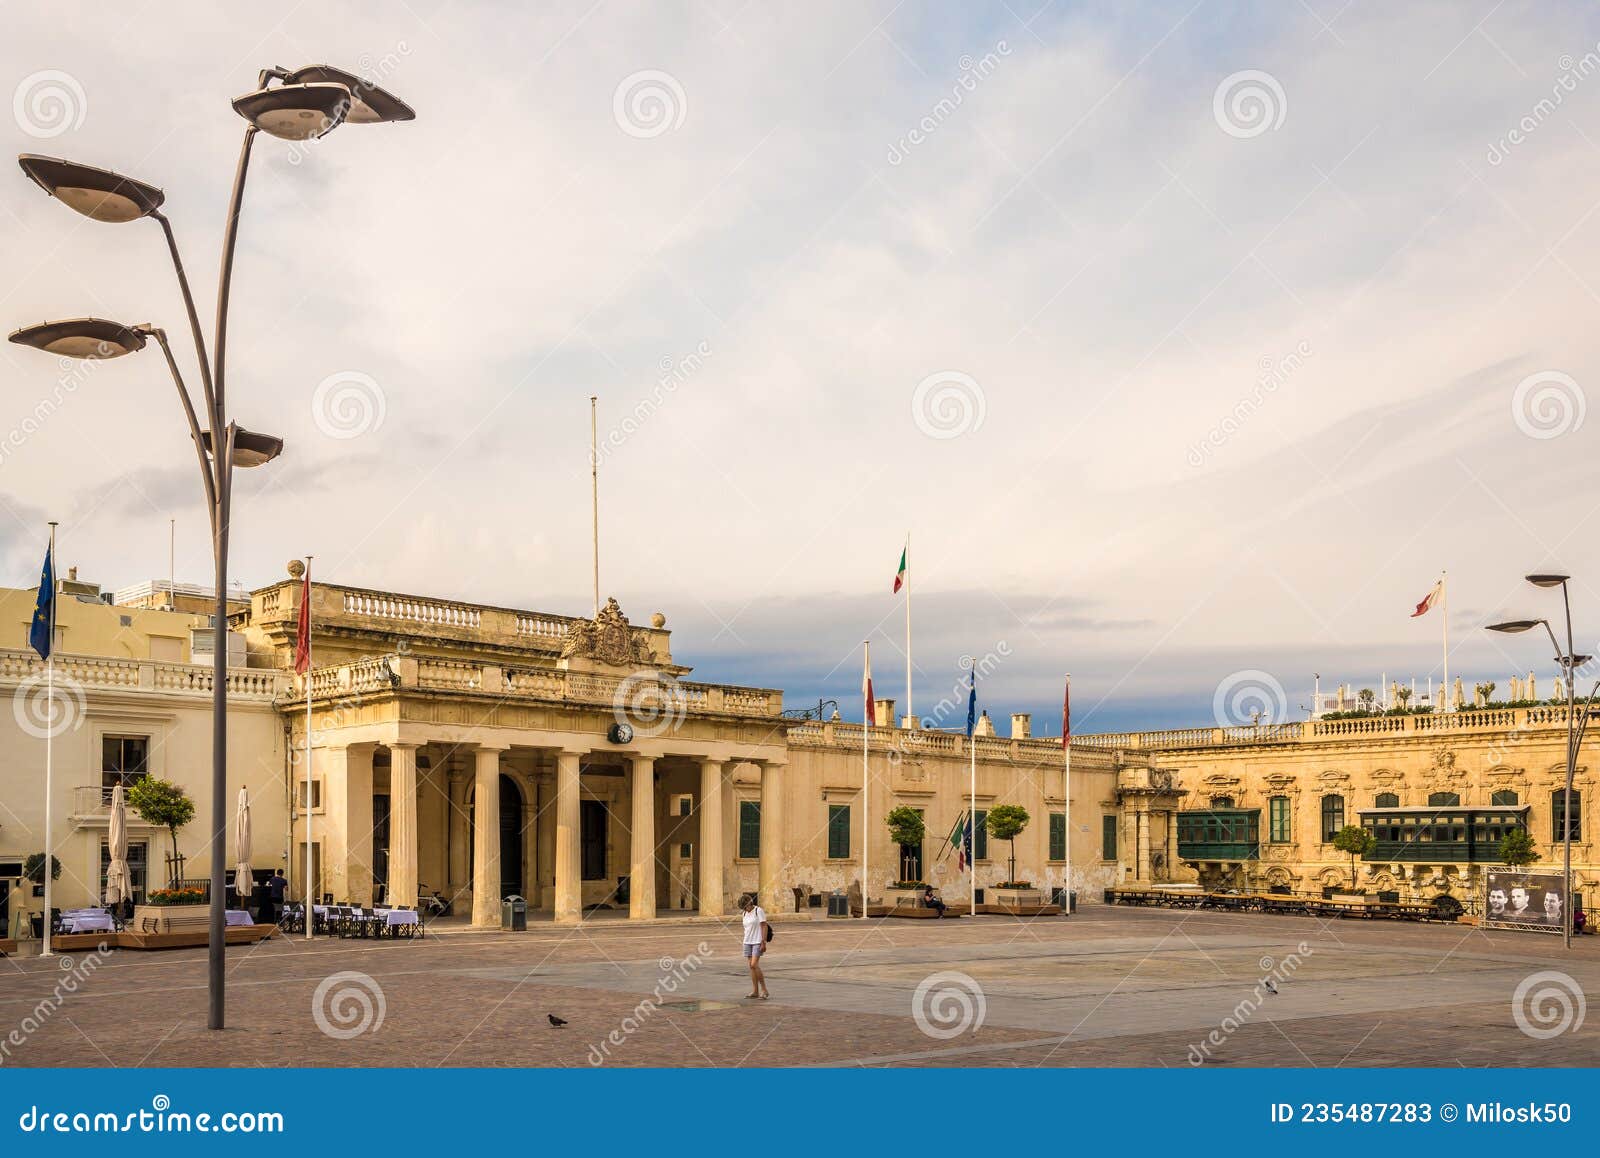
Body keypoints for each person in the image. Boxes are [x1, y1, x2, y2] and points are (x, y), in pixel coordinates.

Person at [739, 894, 769, 999]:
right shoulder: (744, 913)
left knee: (754, 965)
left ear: (749, 903)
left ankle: (764, 990)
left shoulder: (758, 911)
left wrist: (763, 941)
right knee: (751, 967)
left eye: (745, 906)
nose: (744, 909)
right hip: (747, 942)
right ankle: (755, 991)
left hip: (757, 941)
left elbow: (764, 925)